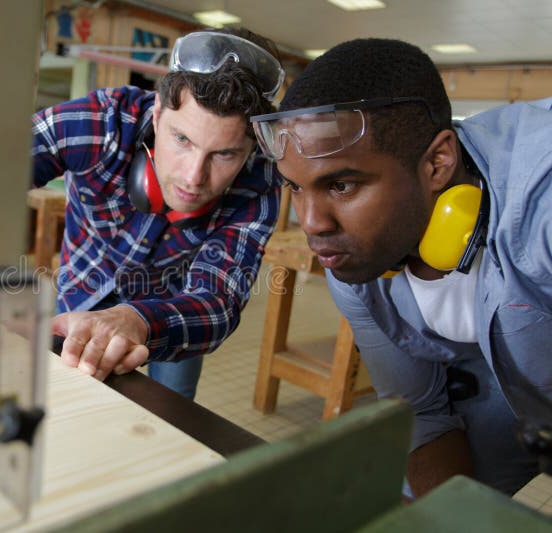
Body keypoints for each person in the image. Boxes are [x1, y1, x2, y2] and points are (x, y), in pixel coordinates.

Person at [250, 37, 551, 498]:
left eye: (343, 184)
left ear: (437, 163)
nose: (313, 224)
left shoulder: (540, 206)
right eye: (296, 186)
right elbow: (420, 411)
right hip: (509, 392)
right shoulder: (354, 260)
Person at [31, 28, 284, 399]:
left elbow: (218, 303)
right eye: (182, 139)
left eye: (225, 154)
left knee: (174, 411)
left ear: (252, 147)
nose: (193, 177)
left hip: (174, 310)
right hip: (82, 289)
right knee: (61, 399)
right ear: (158, 111)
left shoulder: (260, 181)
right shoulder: (101, 121)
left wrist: (135, 319)